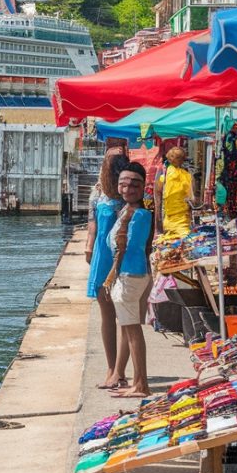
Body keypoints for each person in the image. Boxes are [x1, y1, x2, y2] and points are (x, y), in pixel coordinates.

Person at [104, 162, 154, 398]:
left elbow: (130, 246)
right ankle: (137, 382)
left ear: (143, 187)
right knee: (129, 328)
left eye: (134, 184)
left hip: (130, 275)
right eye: (123, 184)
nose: (127, 189)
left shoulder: (141, 214)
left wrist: (113, 272)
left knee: (132, 330)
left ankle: (141, 384)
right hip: (124, 274)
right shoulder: (126, 211)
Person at [85, 149, 130, 387]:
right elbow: (92, 224)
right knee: (107, 315)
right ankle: (112, 367)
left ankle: (118, 370)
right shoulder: (98, 193)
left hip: (121, 257)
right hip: (102, 257)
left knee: (123, 316)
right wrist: (88, 248)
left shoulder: (127, 195)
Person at [154, 145, 195, 238]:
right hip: (182, 220)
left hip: (168, 219)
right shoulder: (188, 176)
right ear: (183, 160)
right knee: (184, 241)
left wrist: (158, 220)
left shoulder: (163, 176)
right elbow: (192, 200)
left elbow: (158, 201)